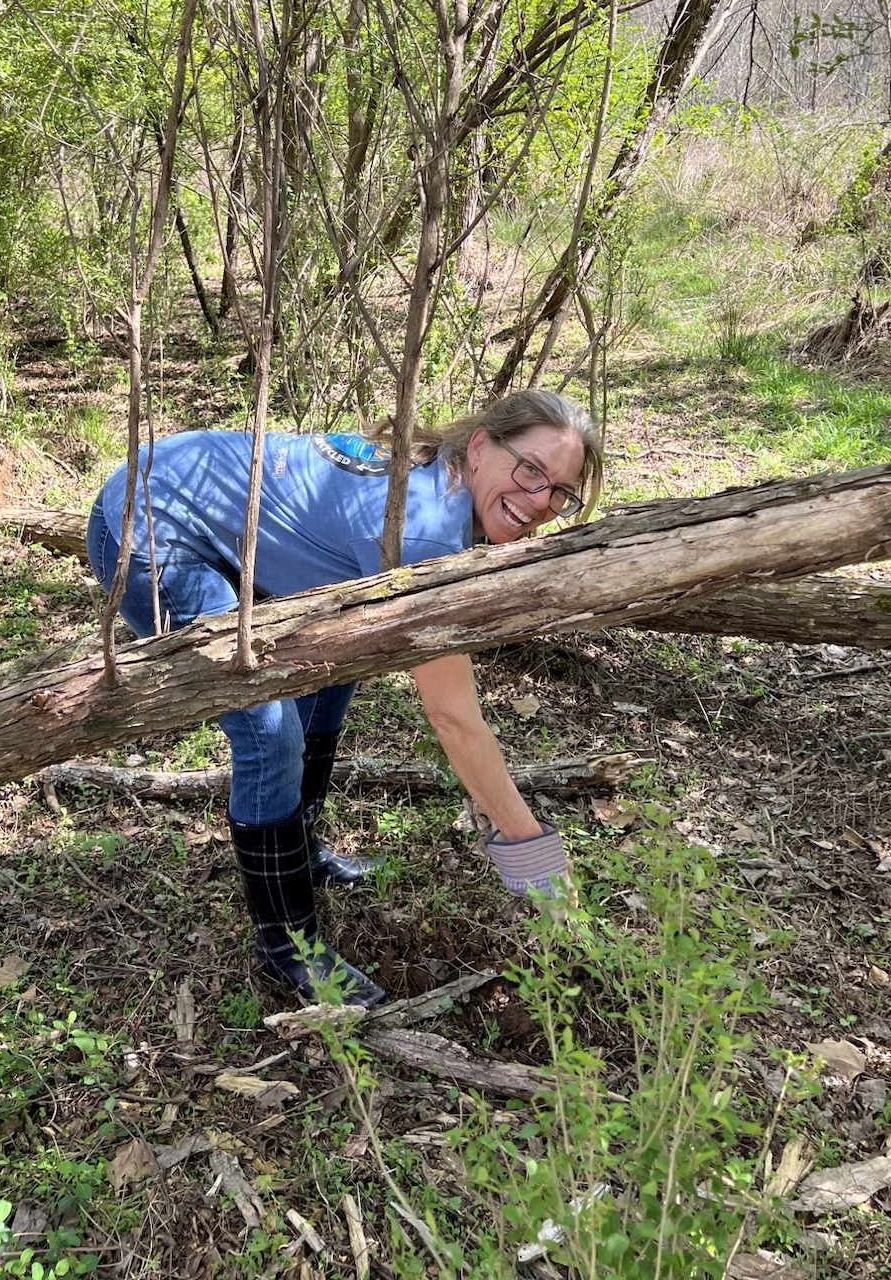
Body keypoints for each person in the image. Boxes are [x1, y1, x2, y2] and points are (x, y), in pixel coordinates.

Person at [86, 389, 602, 1007]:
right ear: (482, 445)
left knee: (337, 665)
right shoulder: (425, 532)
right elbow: (454, 719)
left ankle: (299, 851)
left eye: (560, 492)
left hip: (202, 508)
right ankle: (287, 948)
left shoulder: (450, 489)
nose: (541, 501)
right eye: (532, 471)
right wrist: (533, 854)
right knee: (269, 729)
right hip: (150, 524)